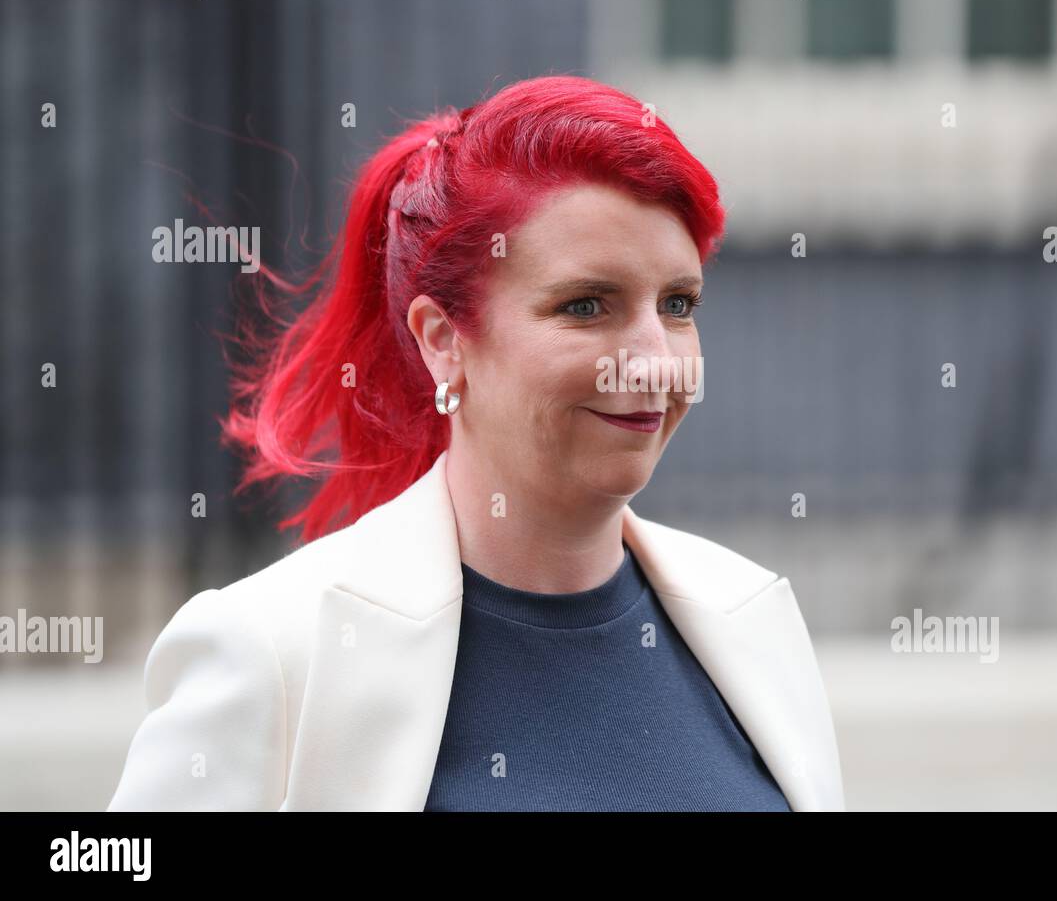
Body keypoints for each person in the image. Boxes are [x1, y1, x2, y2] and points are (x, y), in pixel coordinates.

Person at [107, 75, 844, 811]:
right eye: (586, 306)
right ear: (441, 341)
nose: (653, 361)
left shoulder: (752, 615)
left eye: (678, 305)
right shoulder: (271, 651)